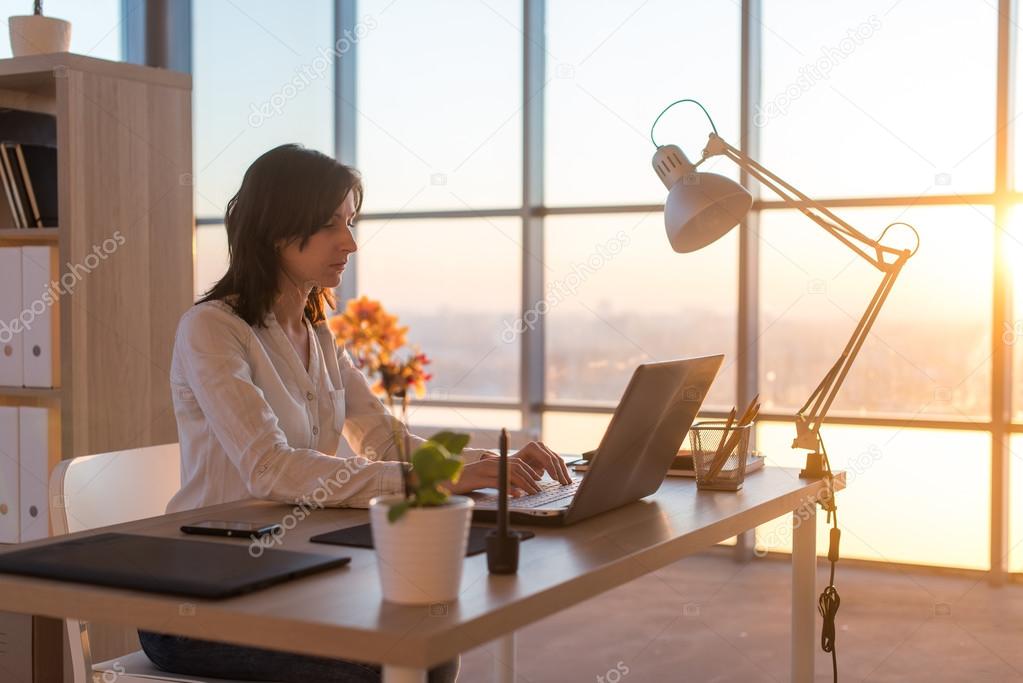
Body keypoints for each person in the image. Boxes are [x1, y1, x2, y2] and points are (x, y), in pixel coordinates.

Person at [138, 144, 572, 683]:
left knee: (428, 643)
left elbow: (384, 442)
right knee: (396, 660)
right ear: (277, 230)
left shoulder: (318, 333)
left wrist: (491, 461)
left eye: (350, 222)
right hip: (201, 601)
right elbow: (270, 468)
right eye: (330, 226)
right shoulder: (211, 329)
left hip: (290, 571)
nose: (350, 242)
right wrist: (431, 481)